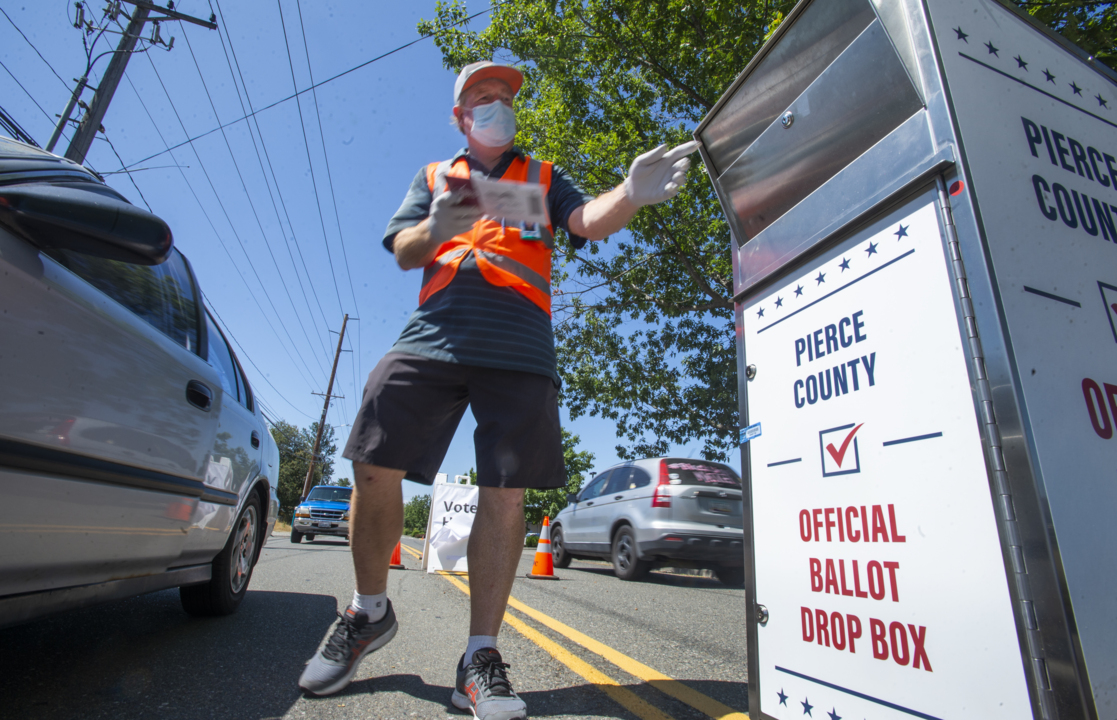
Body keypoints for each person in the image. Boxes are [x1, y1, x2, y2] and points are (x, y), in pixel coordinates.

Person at [297, 60, 697, 720]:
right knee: (371, 462)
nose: (496, 105)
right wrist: (440, 227)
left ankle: (478, 659)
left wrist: (627, 193)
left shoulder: (541, 178)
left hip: (519, 344)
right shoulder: (433, 176)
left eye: (504, 96)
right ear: (460, 116)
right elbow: (402, 249)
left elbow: (587, 221)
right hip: (432, 335)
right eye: (481, 98)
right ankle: (368, 612)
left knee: (504, 492)